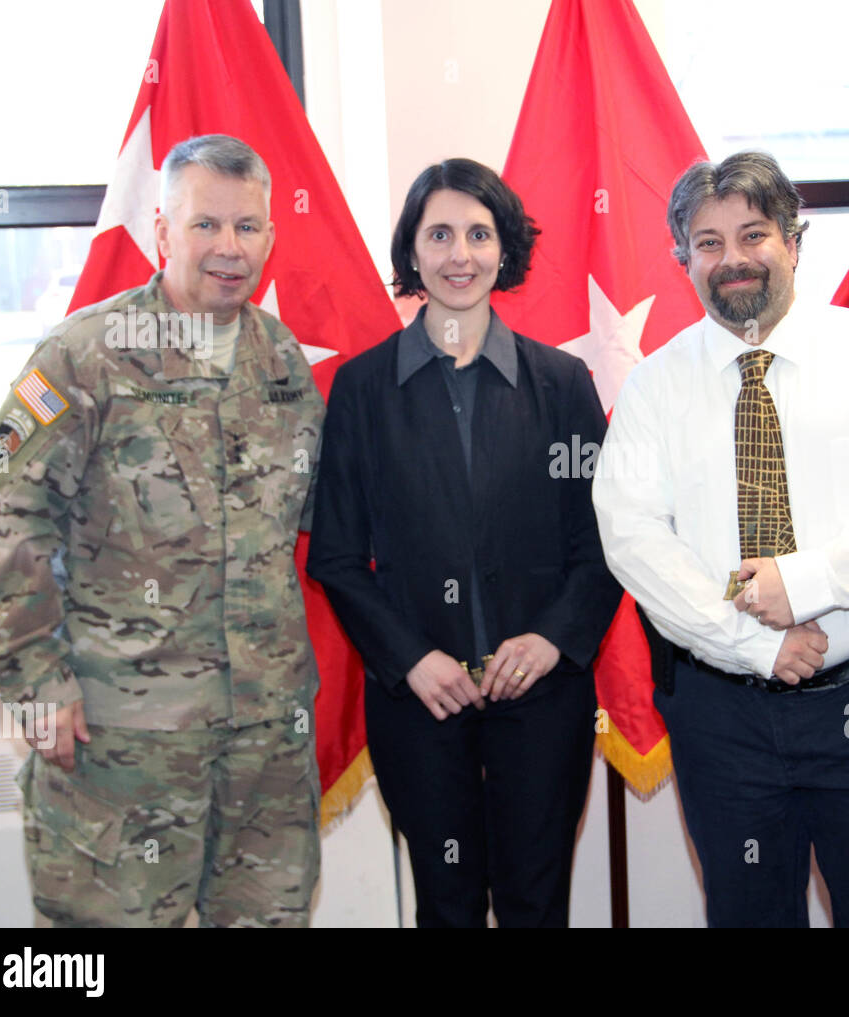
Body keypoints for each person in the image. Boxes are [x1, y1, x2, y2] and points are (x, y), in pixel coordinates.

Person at [592, 151, 849, 927]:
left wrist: (805, 582)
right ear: (683, 259)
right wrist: (753, 641)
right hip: (725, 717)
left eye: (753, 234)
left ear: (795, 242)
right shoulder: (655, 386)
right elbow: (634, 537)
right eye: (708, 242)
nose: (732, 258)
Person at [0, 134, 324, 928]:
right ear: (161, 231)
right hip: (120, 743)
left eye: (248, 227)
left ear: (269, 236)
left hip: (263, 741)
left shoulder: (283, 362)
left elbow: (313, 517)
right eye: (205, 225)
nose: (229, 248)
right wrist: (36, 682)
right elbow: (8, 513)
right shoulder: (83, 355)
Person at [306, 158, 620, 928]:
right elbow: (337, 557)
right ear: (411, 252)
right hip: (419, 702)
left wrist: (551, 639)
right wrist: (412, 658)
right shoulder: (362, 389)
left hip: (542, 700)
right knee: (445, 904)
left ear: (503, 249)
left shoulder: (563, 384)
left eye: (479, 234)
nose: (460, 254)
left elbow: (608, 541)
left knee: (535, 900)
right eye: (438, 233)